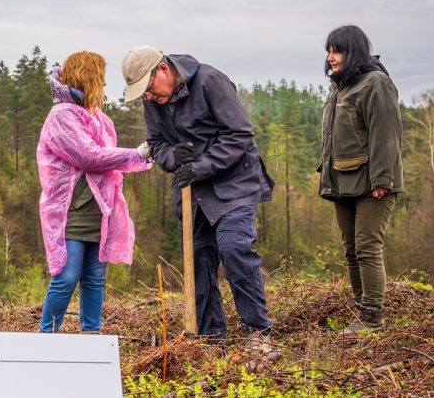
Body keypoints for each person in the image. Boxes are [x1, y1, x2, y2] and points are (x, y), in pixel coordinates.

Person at [122, 46, 275, 351]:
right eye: (143, 94)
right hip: (192, 189)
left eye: (149, 88)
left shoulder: (210, 81)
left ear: (163, 70)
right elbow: (156, 143)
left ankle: (257, 332)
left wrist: (201, 166)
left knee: (234, 248)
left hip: (233, 182)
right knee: (198, 258)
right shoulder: (153, 100)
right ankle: (210, 337)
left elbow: (240, 135)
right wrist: (170, 155)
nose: (148, 97)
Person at [37, 51, 152, 333]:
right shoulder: (62, 116)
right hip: (72, 210)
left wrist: (143, 154)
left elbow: (105, 155)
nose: (103, 85)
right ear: (87, 78)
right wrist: (136, 154)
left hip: (99, 209)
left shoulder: (97, 116)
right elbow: (89, 156)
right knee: (67, 276)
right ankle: (46, 336)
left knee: (95, 277)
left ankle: (92, 335)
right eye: (99, 78)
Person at [318, 25, 403, 334]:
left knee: (368, 246)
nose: (331, 57)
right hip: (342, 181)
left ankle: (371, 317)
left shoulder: (376, 83)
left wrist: (382, 180)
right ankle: (360, 313)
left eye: (337, 50)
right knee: (351, 248)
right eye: (328, 51)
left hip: (373, 183)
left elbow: (386, 134)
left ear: (353, 51)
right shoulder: (337, 87)